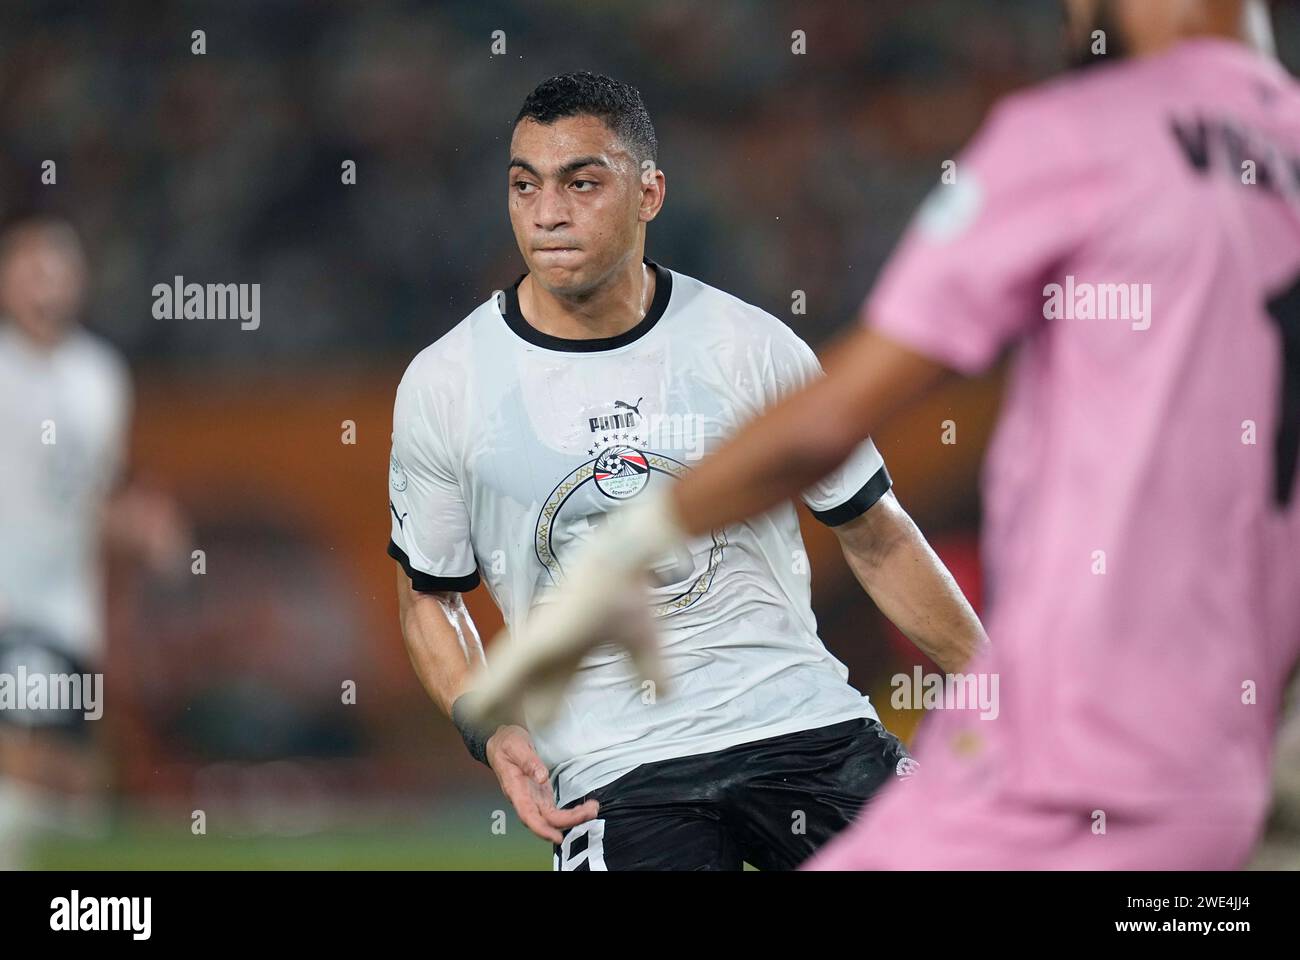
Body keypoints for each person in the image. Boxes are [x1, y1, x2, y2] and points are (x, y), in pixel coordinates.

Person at [471, 1, 1300, 869]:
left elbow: (830, 420)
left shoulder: (1083, 133)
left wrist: (629, 546)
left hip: (1065, 765)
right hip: (1223, 767)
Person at [390, 72, 986, 870]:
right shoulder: (447, 382)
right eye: (524, 185)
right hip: (616, 770)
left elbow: (875, 535)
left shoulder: (750, 346)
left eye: (582, 183)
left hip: (802, 727)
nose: (548, 213)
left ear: (649, 193)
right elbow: (430, 597)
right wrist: (492, 733)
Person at [0, 214, 187, 868]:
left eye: (58, 266)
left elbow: (95, 495)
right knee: (24, 756)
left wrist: (140, 526)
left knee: (72, 797)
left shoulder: (100, 376)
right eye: (30, 267)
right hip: (10, 609)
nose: (45, 282)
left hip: (67, 614)